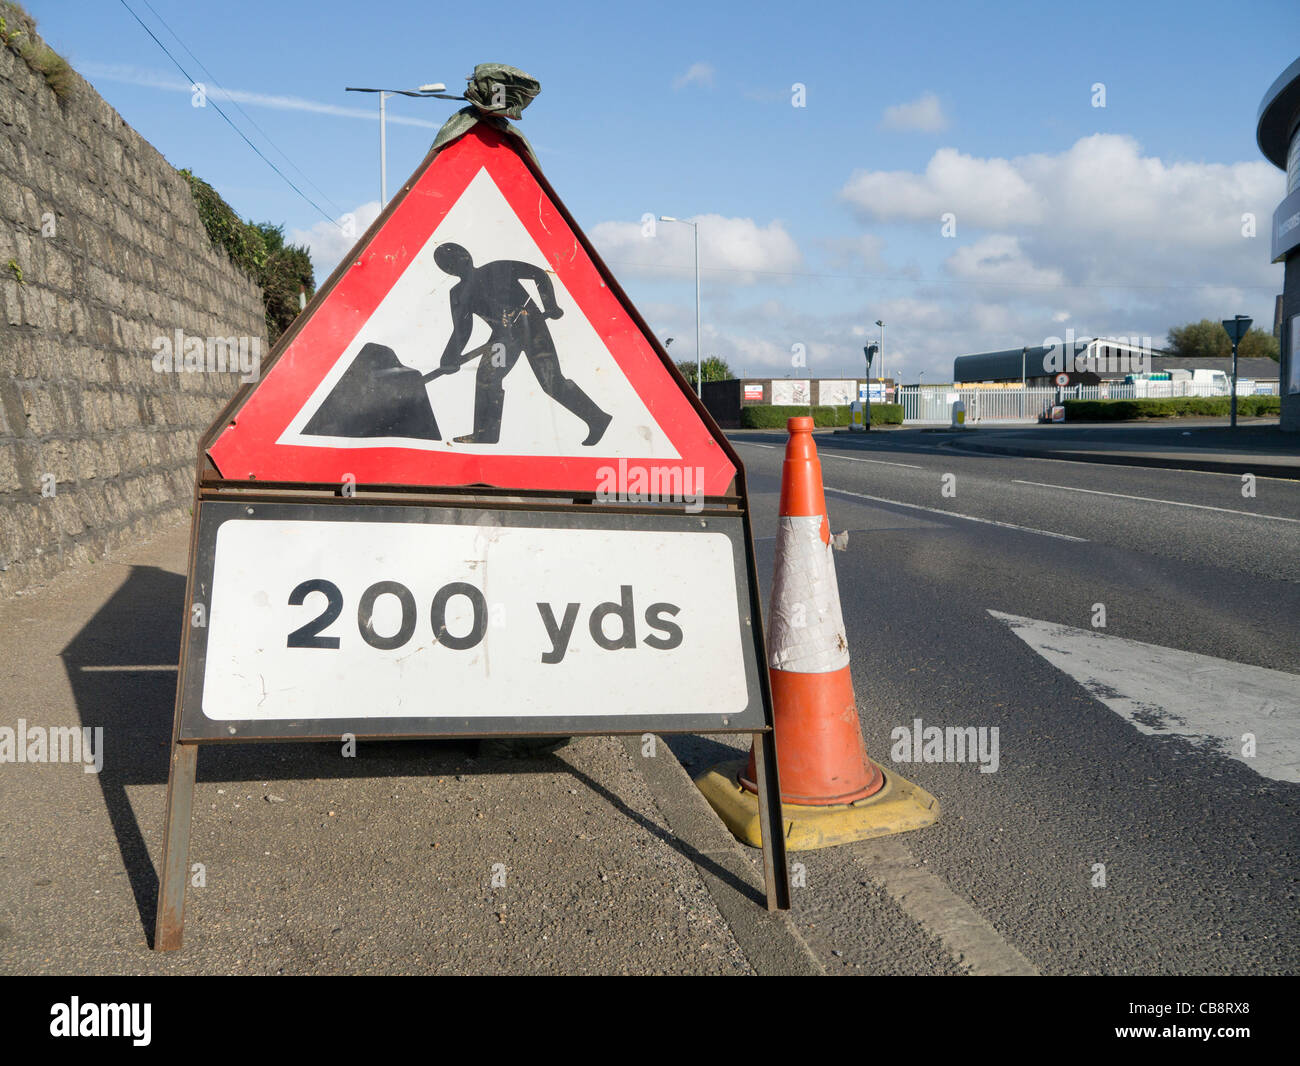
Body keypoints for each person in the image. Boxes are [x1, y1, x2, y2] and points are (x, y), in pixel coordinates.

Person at [432, 242, 611, 446]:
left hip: (531, 326)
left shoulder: (497, 268)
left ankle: (598, 419)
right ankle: (486, 433)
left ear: (467, 257)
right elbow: (463, 329)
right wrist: (449, 357)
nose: (455, 265)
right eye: (449, 263)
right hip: (503, 338)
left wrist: (550, 305)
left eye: (457, 259)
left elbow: (539, 274)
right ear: (447, 269)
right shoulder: (458, 293)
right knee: (487, 376)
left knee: (551, 382)